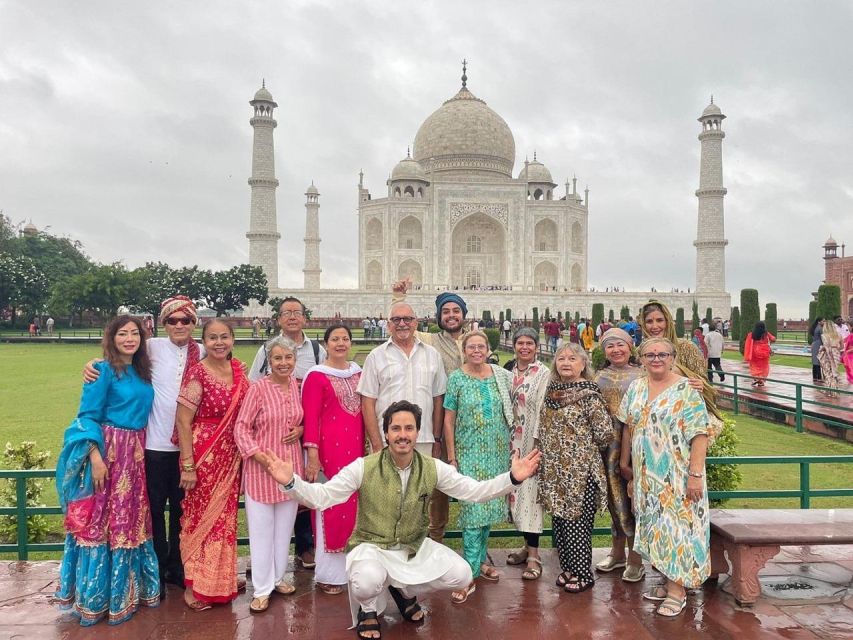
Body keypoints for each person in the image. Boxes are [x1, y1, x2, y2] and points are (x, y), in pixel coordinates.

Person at [261, 400, 542, 639]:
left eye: (409, 428)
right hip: (372, 547)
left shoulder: (432, 468)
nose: (403, 435)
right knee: (367, 581)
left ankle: (401, 588)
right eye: (396, 428)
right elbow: (321, 497)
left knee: (463, 575)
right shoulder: (365, 467)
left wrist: (513, 478)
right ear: (385, 433)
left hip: (411, 548)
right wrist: (290, 483)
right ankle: (368, 608)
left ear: (418, 432)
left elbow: (474, 491)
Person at [82, 295, 202, 598]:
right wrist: (92, 365)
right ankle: (157, 568)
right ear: (163, 324)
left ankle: (179, 567)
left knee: (182, 511)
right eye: (172, 320)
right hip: (150, 446)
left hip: (188, 448)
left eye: (185, 320)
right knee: (151, 511)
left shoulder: (200, 351)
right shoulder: (151, 348)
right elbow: (119, 355)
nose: (179, 325)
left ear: (193, 323)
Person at [55, 315, 159, 625]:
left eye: (134, 334)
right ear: (111, 338)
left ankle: (127, 593)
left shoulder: (142, 371)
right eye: (122, 334)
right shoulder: (102, 371)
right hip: (110, 455)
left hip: (136, 458)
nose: (129, 339)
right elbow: (86, 416)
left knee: (129, 523)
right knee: (102, 523)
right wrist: (96, 458)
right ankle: (97, 599)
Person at [617, 337, 711, 617]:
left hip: (678, 476)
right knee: (657, 531)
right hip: (647, 477)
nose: (656, 359)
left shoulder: (686, 390)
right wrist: (626, 466)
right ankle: (670, 581)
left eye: (662, 354)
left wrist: (695, 475)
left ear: (672, 358)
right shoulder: (636, 387)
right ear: (641, 359)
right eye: (650, 355)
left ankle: (676, 592)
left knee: (678, 530)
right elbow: (628, 428)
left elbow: (700, 435)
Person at [367, 288, 456, 541]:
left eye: (407, 320)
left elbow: (439, 398)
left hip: (425, 438)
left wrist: (437, 438)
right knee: (387, 498)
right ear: (389, 325)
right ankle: (389, 552)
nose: (403, 324)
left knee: (421, 498)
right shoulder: (377, 356)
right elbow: (368, 401)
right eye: (397, 320)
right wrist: (375, 442)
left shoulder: (431, 355)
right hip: (388, 440)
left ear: (417, 323)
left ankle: (419, 553)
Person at [175, 319, 249, 611]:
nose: (219, 343)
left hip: (231, 457)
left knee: (225, 520)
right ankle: (195, 586)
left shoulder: (240, 372)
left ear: (233, 339)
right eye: (212, 338)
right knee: (200, 520)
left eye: (224, 337)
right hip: (204, 455)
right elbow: (182, 420)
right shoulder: (198, 373)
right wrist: (188, 465)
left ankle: (220, 580)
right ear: (203, 342)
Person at [248, 297, 325, 570]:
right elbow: (253, 388)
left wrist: (305, 428)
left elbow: (325, 387)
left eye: (297, 312)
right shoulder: (266, 349)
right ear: (278, 319)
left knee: (303, 486)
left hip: (305, 428)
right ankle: (266, 558)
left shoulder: (316, 351)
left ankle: (305, 546)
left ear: (305, 318)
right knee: (272, 490)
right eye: (286, 313)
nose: (292, 317)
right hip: (272, 432)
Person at [536, 343, 614, 594]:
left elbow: (604, 434)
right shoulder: (552, 392)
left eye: (572, 358)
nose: (566, 362)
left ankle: (583, 573)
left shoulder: (589, 395)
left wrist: (578, 448)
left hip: (581, 471)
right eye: (561, 358)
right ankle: (568, 568)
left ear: (583, 364)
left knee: (578, 523)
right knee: (559, 521)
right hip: (556, 470)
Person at [234, 336, 304, 613]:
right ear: (268, 361)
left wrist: (300, 430)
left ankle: (278, 578)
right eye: (277, 358)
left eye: (288, 358)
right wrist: (259, 455)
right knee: (261, 531)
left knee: (283, 530)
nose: (283, 363)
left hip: (289, 469)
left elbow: (300, 420)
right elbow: (241, 427)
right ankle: (262, 589)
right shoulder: (259, 389)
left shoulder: (296, 387)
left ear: (295, 360)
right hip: (262, 468)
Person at [443, 331, 513, 602]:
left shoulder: (499, 375)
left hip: (496, 453)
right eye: (470, 347)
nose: (476, 351)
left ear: (488, 349)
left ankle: (480, 563)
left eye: (480, 346)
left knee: (487, 511)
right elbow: (449, 420)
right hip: (469, 452)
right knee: (473, 512)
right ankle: (468, 575)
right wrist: (452, 456)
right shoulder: (457, 378)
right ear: (464, 350)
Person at [302, 324, 365, 595]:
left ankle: (354, 568)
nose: (340, 343)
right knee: (329, 507)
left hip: (356, 451)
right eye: (335, 339)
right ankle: (329, 574)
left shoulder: (358, 374)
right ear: (326, 344)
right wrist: (312, 455)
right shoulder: (316, 376)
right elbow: (311, 417)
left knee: (355, 509)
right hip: (329, 453)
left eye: (345, 339)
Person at [592, 328, 644, 582]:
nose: (616, 350)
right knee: (615, 501)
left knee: (633, 502)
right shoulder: (598, 376)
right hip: (606, 448)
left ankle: (636, 559)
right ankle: (617, 554)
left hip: (635, 447)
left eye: (620, 345)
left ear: (630, 347)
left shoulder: (642, 375)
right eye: (610, 346)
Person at [503, 328, 550, 581]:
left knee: (530, 498)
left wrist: (537, 445)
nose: (524, 347)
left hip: (530, 443)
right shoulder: (507, 370)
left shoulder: (543, 373)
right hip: (510, 443)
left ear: (536, 346)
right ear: (514, 345)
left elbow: (544, 408)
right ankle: (526, 546)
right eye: (520, 342)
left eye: (529, 343)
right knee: (515, 495)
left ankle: (534, 555)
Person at [640, 301, 723, 437]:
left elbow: (708, 388)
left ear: (668, 321)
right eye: (649, 321)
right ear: (643, 325)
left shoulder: (686, 348)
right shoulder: (640, 353)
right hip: (650, 428)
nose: (654, 326)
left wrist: (701, 385)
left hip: (684, 424)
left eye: (660, 320)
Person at [743, 321, 776, 387]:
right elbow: (773, 339)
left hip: (755, 352)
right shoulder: (766, 334)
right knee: (764, 366)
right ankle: (761, 380)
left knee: (754, 365)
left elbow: (748, 343)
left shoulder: (752, 334)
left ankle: (756, 378)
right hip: (765, 352)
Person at [818, 318, 842, 396]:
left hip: (828, 355)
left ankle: (831, 391)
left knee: (828, 373)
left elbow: (826, 347)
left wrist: (822, 348)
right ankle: (833, 390)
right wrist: (835, 348)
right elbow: (842, 346)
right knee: (834, 373)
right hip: (836, 354)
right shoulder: (839, 335)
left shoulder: (824, 335)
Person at [809, 317, 824, 385]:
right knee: (818, 361)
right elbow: (823, 338)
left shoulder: (815, 328)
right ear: (819, 322)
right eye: (823, 321)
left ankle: (815, 377)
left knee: (815, 362)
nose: (824, 322)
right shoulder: (820, 328)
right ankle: (819, 378)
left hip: (815, 344)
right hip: (818, 345)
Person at [843, 320, 853, 385]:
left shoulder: (852, 336)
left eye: (848, 326)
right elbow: (843, 340)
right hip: (848, 357)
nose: (847, 328)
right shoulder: (850, 335)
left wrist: (847, 351)